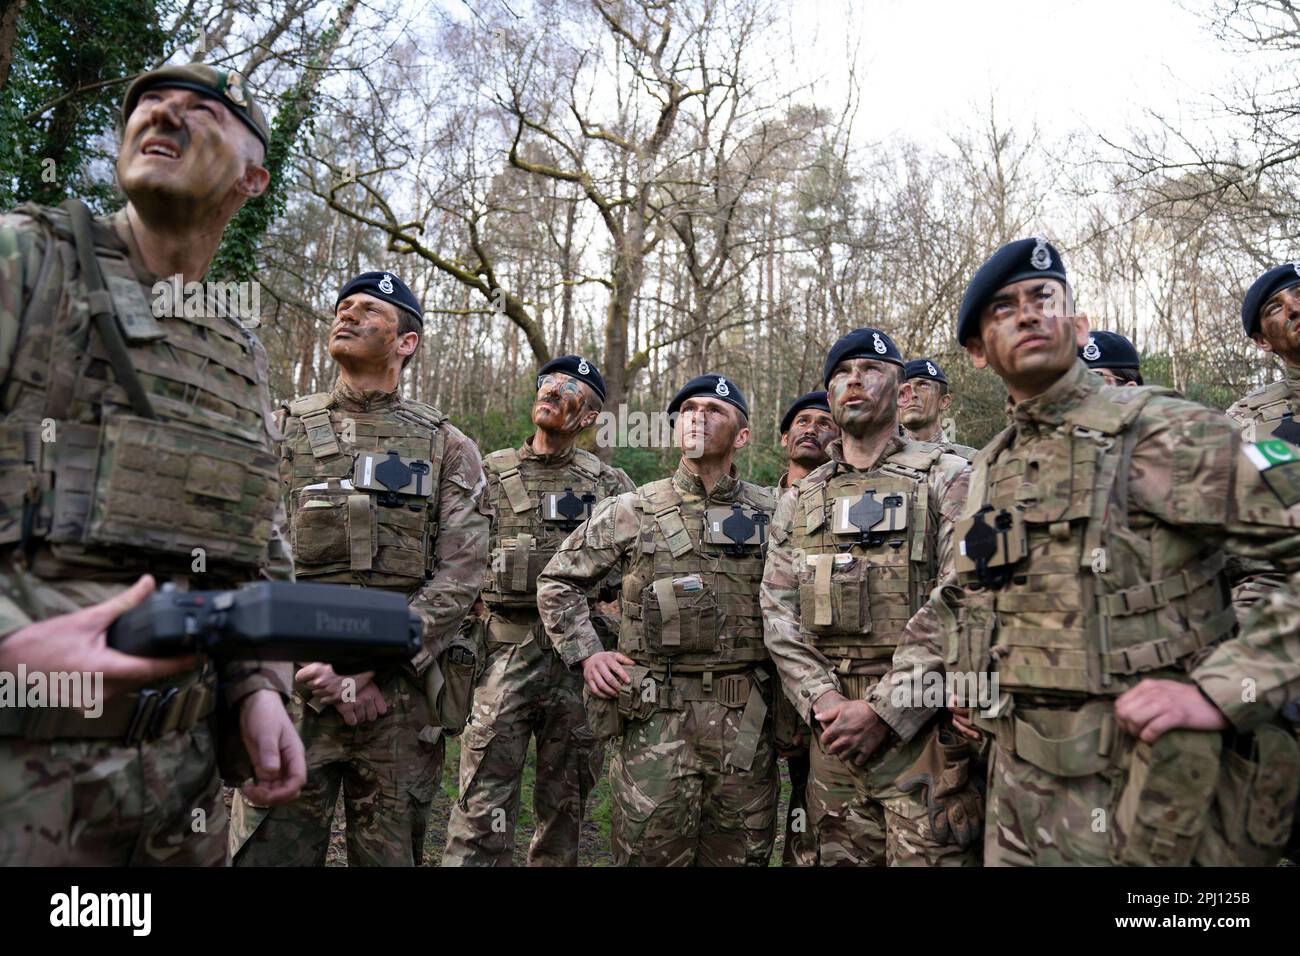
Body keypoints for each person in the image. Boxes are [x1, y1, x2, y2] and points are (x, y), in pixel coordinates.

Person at [882, 236, 1300, 866]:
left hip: (1153, 796)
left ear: (1077, 325)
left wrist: (1223, 689)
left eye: (1043, 298)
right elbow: (971, 595)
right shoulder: (992, 468)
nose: (1026, 313)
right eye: (1003, 308)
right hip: (1023, 792)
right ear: (976, 352)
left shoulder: (1163, 430)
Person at [0, 63, 305, 865]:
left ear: (254, 176)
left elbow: (258, 551)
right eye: (148, 106)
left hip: (177, 808)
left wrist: (258, 689)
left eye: (201, 110)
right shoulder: (26, 263)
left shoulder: (238, 349)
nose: (163, 116)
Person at [232, 270, 488, 866]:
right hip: (289, 698)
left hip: (397, 705)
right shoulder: (279, 431)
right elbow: (241, 556)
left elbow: (463, 573)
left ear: (407, 342)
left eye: (368, 309)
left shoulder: (448, 446)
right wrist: (306, 666)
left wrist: (369, 663)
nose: (346, 315)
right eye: (342, 306)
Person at [536, 374, 779, 865]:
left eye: (714, 410)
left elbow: (793, 614)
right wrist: (588, 653)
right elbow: (558, 580)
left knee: (741, 858)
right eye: (689, 409)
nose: (698, 417)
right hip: (653, 723)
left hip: (746, 726)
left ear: (743, 435)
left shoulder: (775, 513)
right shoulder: (632, 508)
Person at [760, 329, 980, 866]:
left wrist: (884, 712)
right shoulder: (802, 498)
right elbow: (777, 611)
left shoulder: (949, 477)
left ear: (901, 388)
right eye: (841, 373)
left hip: (925, 732)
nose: (854, 380)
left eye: (870, 369)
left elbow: (966, 595)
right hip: (835, 737)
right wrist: (824, 702)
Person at [443, 355, 633, 866]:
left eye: (569, 387)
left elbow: (632, 577)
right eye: (548, 382)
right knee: (480, 804)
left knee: (565, 806)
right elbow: (447, 555)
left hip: (579, 663)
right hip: (501, 652)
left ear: (589, 415)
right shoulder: (484, 471)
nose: (553, 391)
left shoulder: (612, 486)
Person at [771, 390, 839, 866]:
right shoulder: (752, 507)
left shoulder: (846, 508)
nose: (811, 428)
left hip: (824, 686)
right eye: (802, 420)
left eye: (824, 421)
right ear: (784, 438)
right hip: (756, 689)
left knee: (817, 818)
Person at [1227, 265, 1300, 443]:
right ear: (1262, 341)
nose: (1294, 309)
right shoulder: (1246, 420)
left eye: (1299, 294)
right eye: (1274, 308)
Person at [899, 358, 976, 459]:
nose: (912, 394)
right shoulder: (879, 457)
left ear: (944, 402)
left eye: (923, 385)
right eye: (905, 389)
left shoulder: (969, 461)